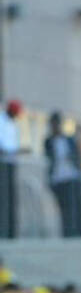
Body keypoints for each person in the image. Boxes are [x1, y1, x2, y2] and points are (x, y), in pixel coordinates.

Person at [44, 112, 81, 237]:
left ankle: (76, 232)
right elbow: (48, 160)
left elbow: (78, 157)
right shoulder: (48, 141)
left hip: (72, 177)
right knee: (63, 208)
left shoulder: (69, 140)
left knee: (74, 207)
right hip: (58, 179)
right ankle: (67, 233)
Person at [0, 100, 22, 240]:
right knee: (3, 198)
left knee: (11, 199)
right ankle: (4, 230)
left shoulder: (14, 124)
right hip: (2, 164)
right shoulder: (2, 121)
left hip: (11, 163)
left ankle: (11, 232)